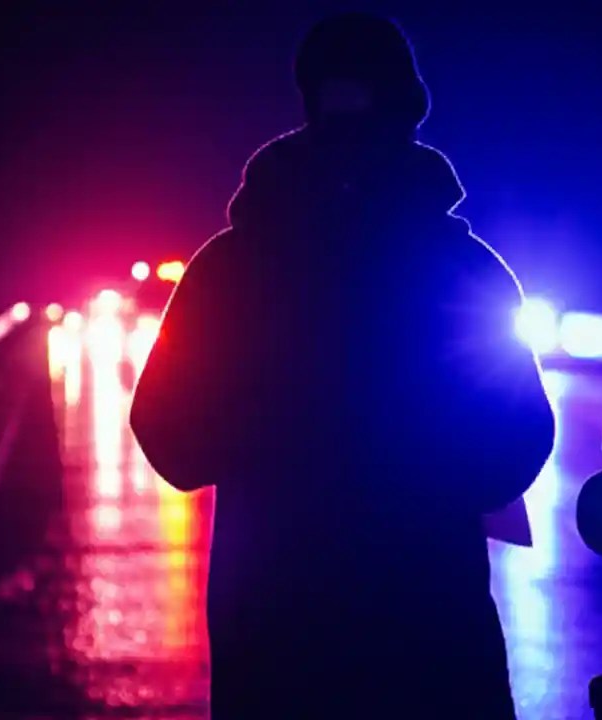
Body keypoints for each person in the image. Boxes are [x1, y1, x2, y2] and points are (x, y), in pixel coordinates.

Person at [129, 13, 555, 718]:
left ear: (308, 103)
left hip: (275, 638)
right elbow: (515, 441)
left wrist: (278, 437)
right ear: (411, 110)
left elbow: (168, 435)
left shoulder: (231, 269)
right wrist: (421, 470)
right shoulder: (462, 270)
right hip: (432, 638)